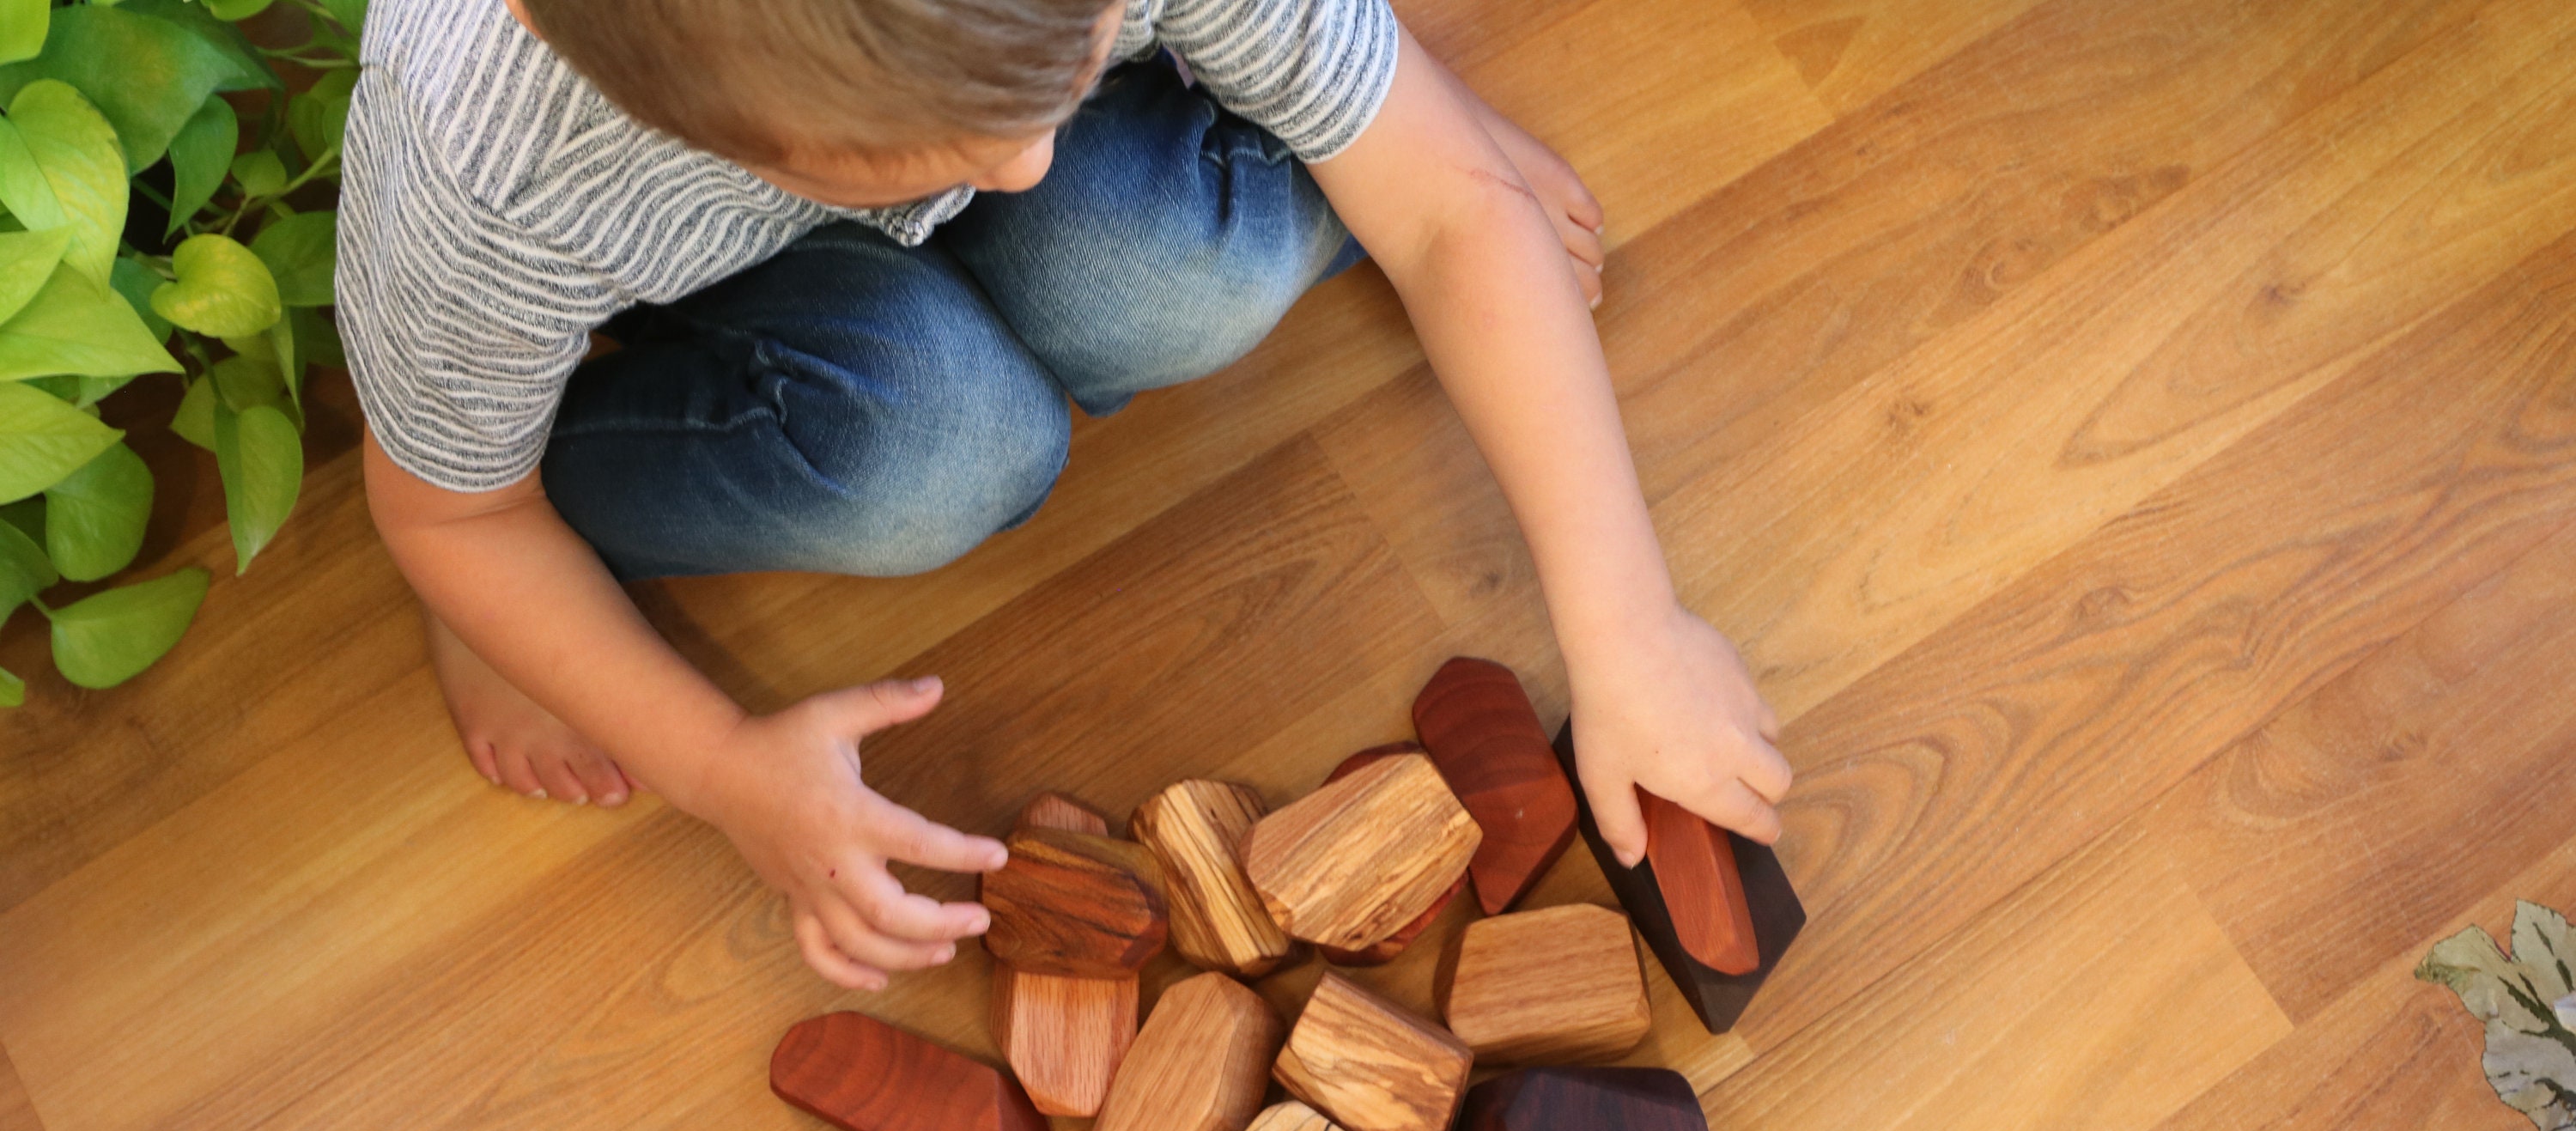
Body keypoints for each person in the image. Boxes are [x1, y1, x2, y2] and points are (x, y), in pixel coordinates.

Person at [341, 0, 1795, 990]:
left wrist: (1629, 632)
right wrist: (720, 767)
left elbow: (1439, 209)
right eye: (947, 153)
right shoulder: (494, 162)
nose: (1026, 166)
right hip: (721, 299)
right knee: (937, 457)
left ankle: (1352, 74)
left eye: (1077, 56)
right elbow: (443, 509)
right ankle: (523, 556)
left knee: (1214, 265)